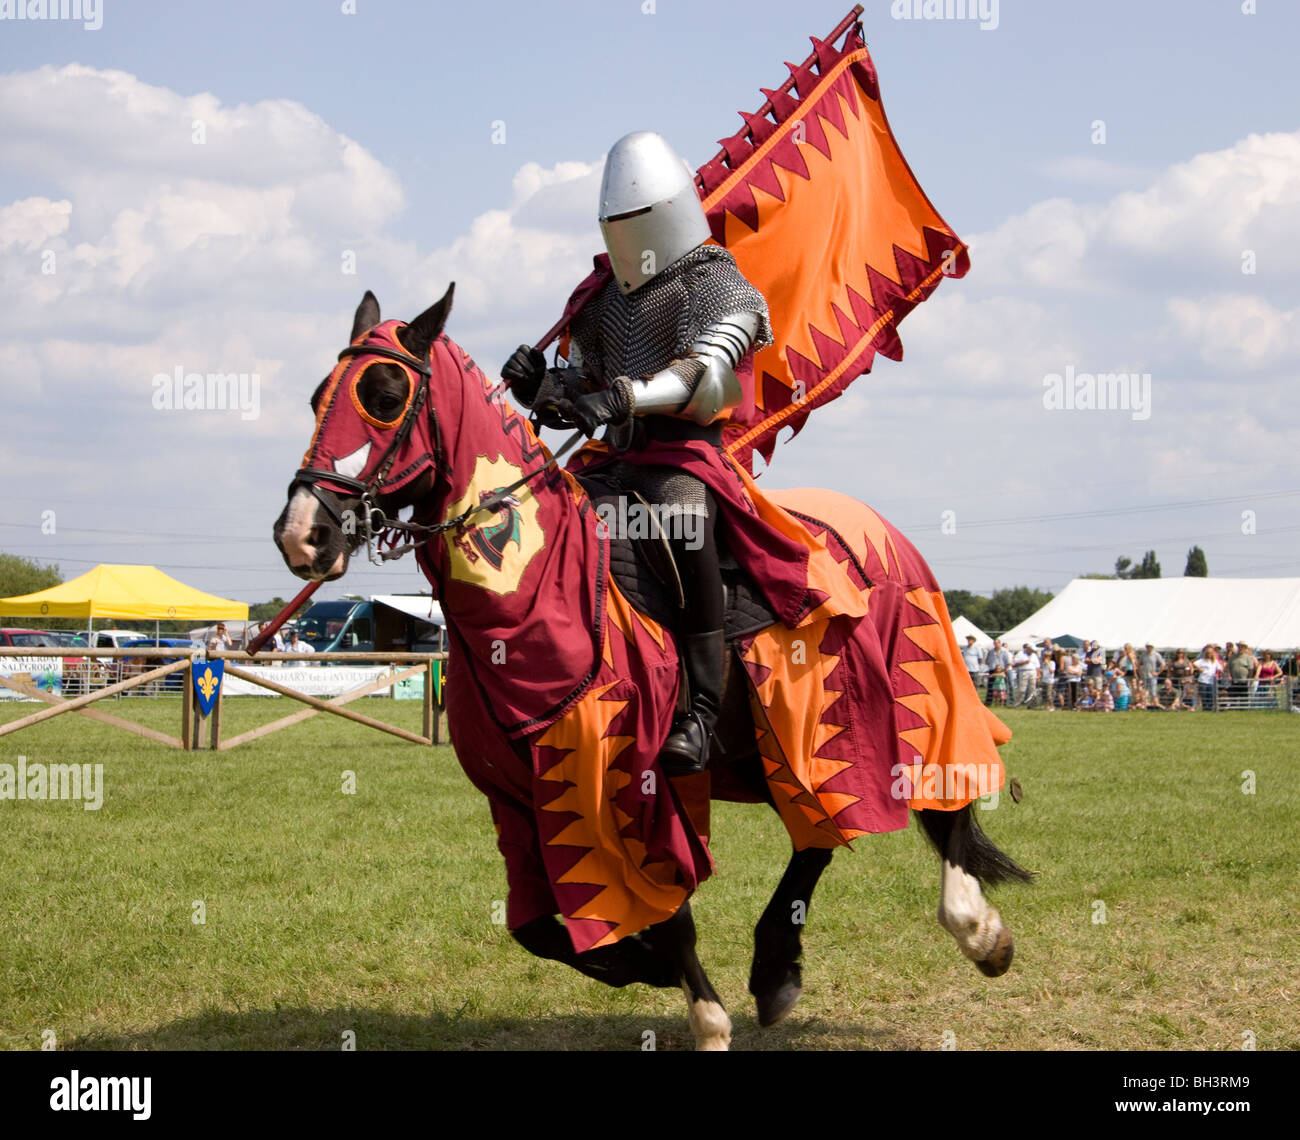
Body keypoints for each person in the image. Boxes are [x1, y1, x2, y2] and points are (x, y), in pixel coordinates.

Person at [502, 131, 773, 775]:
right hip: (612, 461)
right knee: (547, 519)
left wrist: (624, 398)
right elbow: (580, 389)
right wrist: (542, 386)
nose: (628, 233)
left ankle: (702, 713)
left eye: (637, 219)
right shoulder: (600, 300)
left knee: (683, 525)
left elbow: (705, 375)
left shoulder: (717, 283)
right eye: (617, 222)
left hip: (683, 457)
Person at [983, 639, 1012, 707]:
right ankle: (988, 702)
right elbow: (987, 661)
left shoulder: (1004, 651)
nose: (995, 644)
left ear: (999, 643)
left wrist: (1005, 671)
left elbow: (1008, 662)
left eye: (997, 643)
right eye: (994, 643)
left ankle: (1004, 702)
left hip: (1001, 670)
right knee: (991, 687)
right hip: (993, 670)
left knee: (1003, 687)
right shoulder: (991, 651)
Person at [1193, 645, 1222, 710]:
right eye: (1208, 653)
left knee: (1211, 695)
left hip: (1211, 681)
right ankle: (1205, 708)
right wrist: (1199, 668)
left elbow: (1220, 668)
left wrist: (1220, 671)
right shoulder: (1202, 661)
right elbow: (1193, 663)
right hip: (1203, 680)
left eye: (1211, 653)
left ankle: (1210, 708)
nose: (1209, 654)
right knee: (1204, 695)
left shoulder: (1214, 661)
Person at [1012, 643, 1039, 707]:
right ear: (1028, 648)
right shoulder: (1020, 654)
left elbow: (1037, 666)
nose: (1032, 651)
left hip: (1033, 672)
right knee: (1022, 689)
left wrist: (1038, 674)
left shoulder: (1034, 655)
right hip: (1023, 672)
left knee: (1032, 688)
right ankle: (1017, 703)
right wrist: (1024, 662)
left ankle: (1030, 704)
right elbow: (1015, 664)